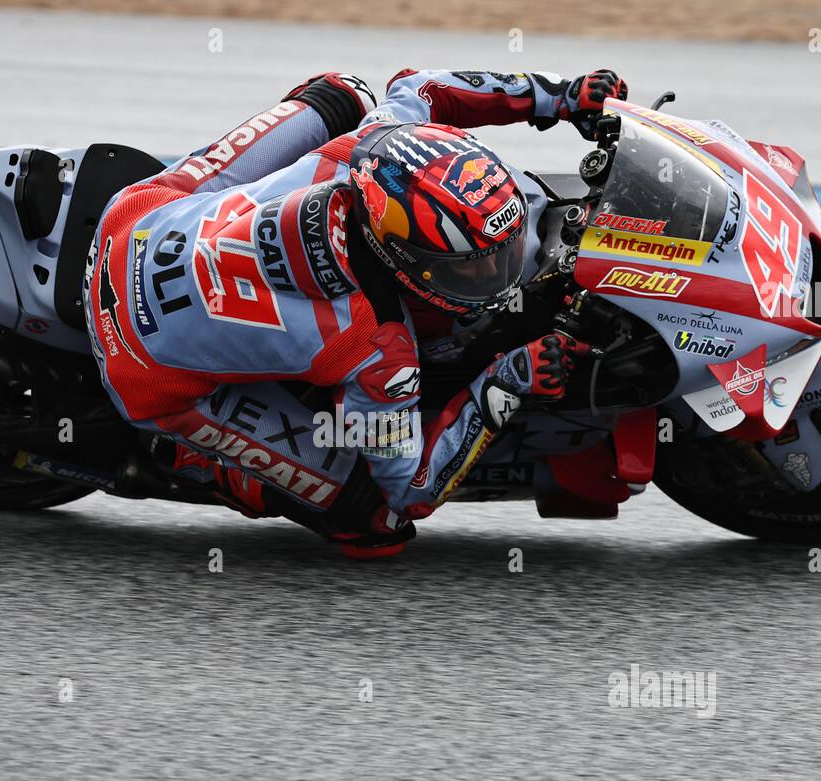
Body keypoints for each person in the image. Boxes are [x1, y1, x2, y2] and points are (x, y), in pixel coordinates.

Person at [85, 68, 628, 556]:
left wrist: (559, 97)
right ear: (402, 258)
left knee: (344, 92)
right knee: (377, 522)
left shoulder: (366, 145)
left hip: (134, 217)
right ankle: (197, 462)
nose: (499, 274)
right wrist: (508, 380)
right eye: (472, 268)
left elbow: (423, 87)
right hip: (143, 370)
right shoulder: (376, 348)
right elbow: (413, 488)